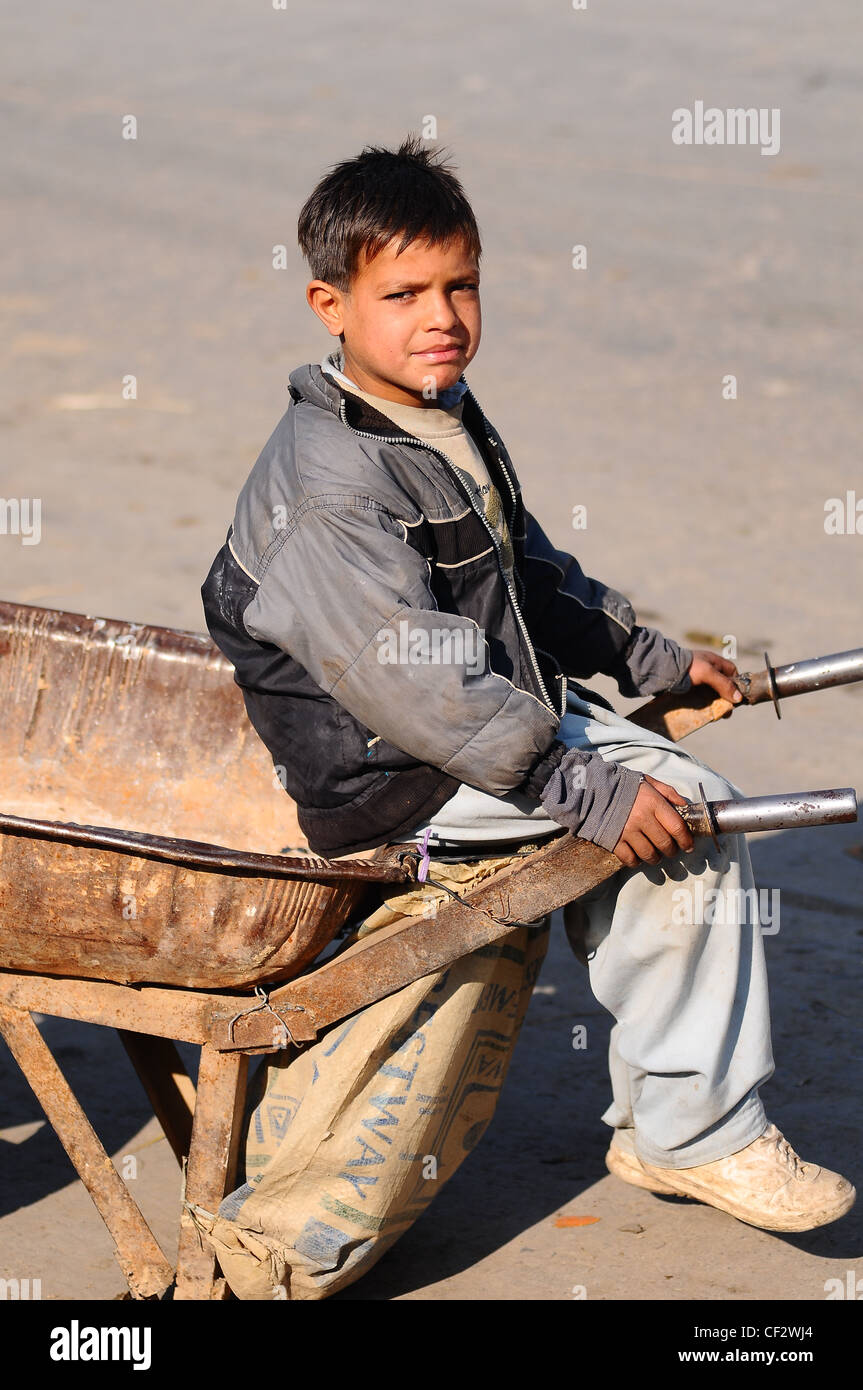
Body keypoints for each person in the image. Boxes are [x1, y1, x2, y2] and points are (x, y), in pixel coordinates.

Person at [202, 135, 854, 1235]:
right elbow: (419, 692)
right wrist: (582, 785)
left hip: (463, 716)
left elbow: (525, 569)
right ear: (329, 303)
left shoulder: (434, 409)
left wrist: (644, 656)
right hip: (388, 772)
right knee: (680, 817)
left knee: (663, 780)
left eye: (459, 283)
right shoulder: (332, 485)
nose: (440, 315)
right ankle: (691, 1135)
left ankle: (674, 1114)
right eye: (402, 293)